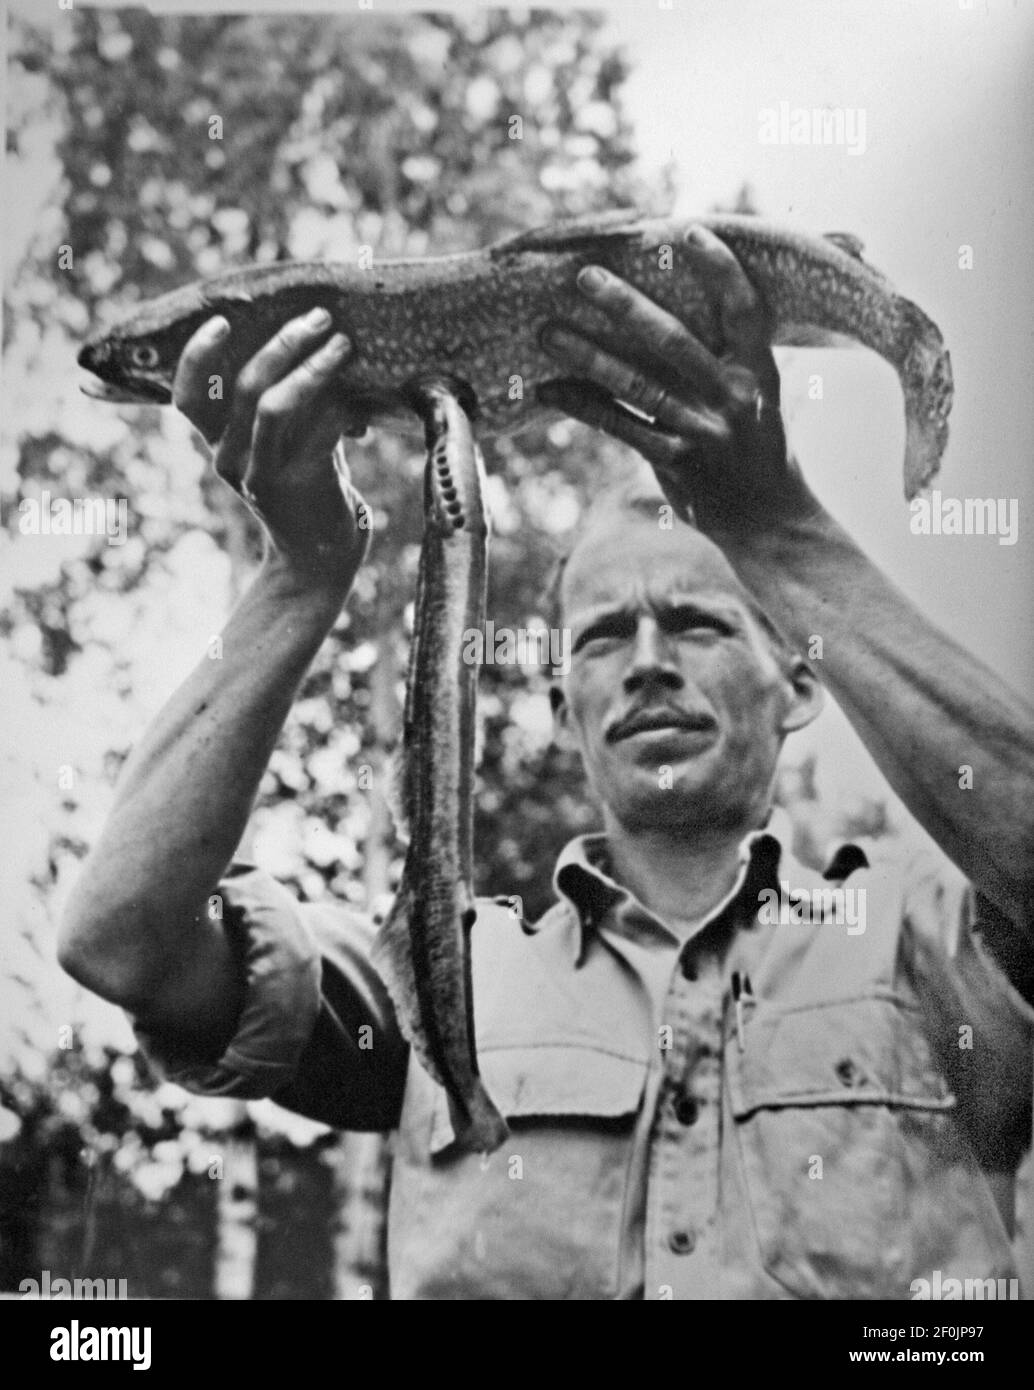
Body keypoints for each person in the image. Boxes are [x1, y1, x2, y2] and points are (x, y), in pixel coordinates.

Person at [60, 227, 1034, 1300]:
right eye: (605, 634)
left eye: (699, 623)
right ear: (566, 707)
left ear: (798, 681)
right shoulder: (434, 985)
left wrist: (778, 531)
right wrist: (301, 572)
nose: (649, 663)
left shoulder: (931, 951)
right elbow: (123, 942)